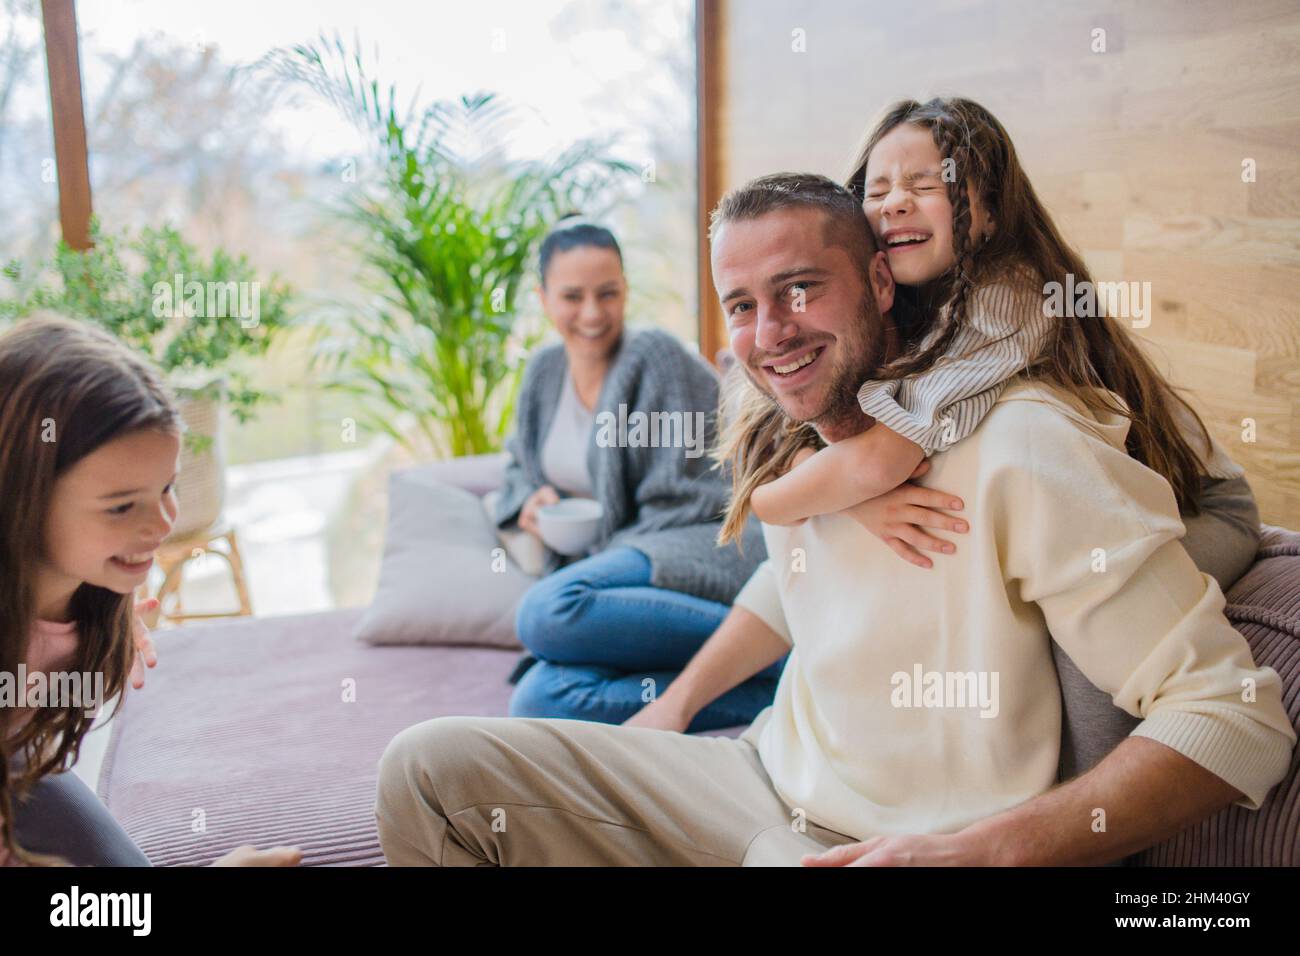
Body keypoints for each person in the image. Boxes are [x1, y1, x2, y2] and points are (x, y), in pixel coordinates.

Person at [374, 173, 1294, 867]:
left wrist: (982, 852)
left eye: (801, 288)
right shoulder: (796, 451)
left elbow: (1234, 716)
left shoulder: (1024, 448)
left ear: (881, 284)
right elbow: (793, 586)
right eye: (743, 305)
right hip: (753, 785)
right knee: (429, 768)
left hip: (906, 842)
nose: (771, 331)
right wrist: (677, 708)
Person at [743, 97, 1263, 780]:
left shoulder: (1011, 298)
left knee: (1079, 641)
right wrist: (835, 495)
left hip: (1204, 504)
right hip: (1090, 504)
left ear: (988, 207)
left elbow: (890, 455)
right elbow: (813, 455)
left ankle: (1091, 828)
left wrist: (808, 501)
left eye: (926, 186)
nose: (896, 203)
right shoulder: (902, 303)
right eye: (877, 189)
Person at [0, 314, 300, 867]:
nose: (161, 522)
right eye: (121, 507)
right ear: (24, 492)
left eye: (167, 487)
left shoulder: (90, 598)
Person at [491, 216, 775, 731]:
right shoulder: (543, 372)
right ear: (544, 298)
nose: (593, 313)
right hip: (622, 568)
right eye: (572, 297)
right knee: (539, 699)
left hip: (699, 543)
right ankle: (765, 690)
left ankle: (771, 642)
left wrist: (602, 551)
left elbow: (692, 497)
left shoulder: (654, 358)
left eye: (608, 293)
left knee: (546, 613)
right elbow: (517, 469)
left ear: (625, 289)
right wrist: (530, 501)